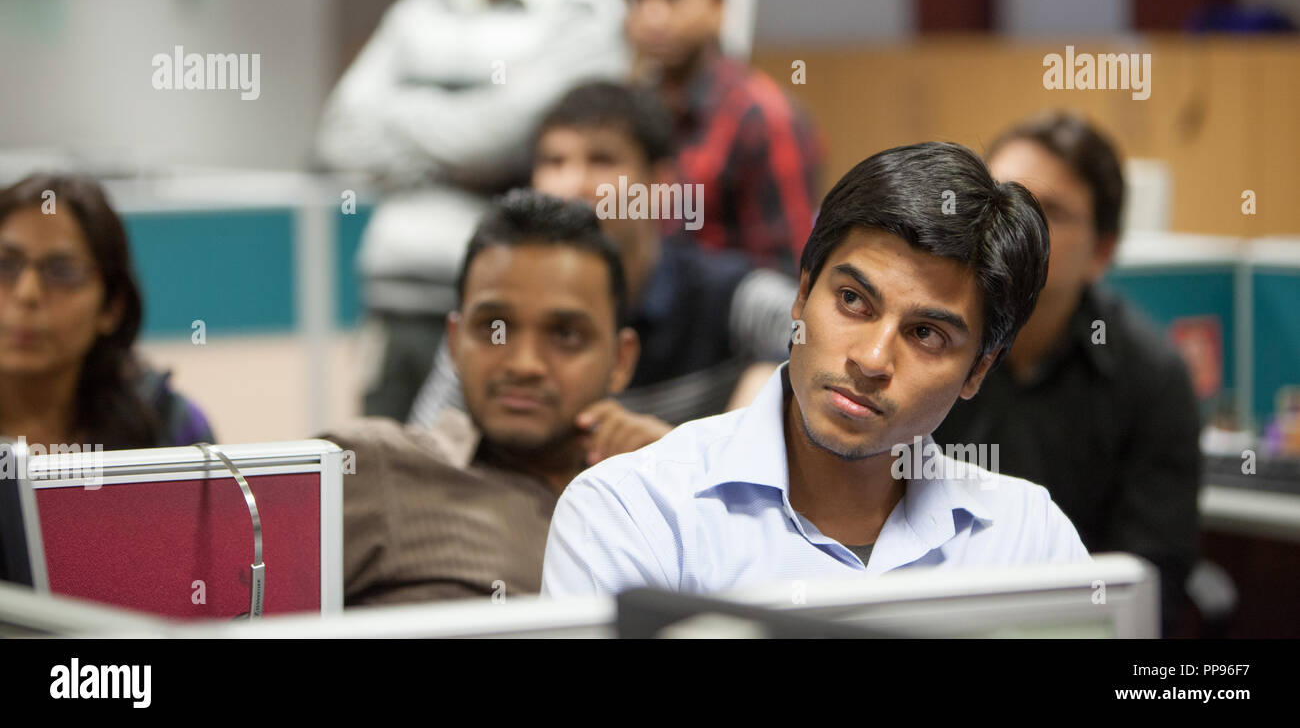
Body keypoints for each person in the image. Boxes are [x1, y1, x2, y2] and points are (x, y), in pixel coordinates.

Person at [541, 142, 1091, 598]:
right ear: (802, 294)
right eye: (853, 301)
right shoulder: (637, 512)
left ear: (978, 370)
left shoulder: (1026, 541)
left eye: (926, 334)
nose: (872, 359)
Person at [315, 0, 628, 421]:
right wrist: (465, 144)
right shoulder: (417, 11)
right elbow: (338, 135)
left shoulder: (587, 12)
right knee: (386, 484)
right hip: (396, 293)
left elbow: (503, 139)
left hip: (519, 306)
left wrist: (407, 125)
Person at [409, 82, 798, 447]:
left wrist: (703, 446)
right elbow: (426, 451)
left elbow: (816, 330)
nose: (573, 186)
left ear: (661, 184)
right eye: (555, 161)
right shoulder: (496, 306)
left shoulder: (726, 295)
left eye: (602, 160)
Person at [934, 112, 1200, 634]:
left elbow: (1151, 577)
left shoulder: (1150, 376)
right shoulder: (931, 340)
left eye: (1049, 210)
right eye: (999, 196)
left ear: (1101, 252)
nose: (1014, 224)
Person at [323, 190, 647, 605]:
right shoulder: (368, 467)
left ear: (621, 360)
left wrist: (676, 468)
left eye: (566, 335)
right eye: (494, 327)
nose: (525, 364)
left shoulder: (660, 495)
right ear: (455, 343)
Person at [614, 0, 825, 277]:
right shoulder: (632, 105)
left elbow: (790, 273)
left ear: (719, 7)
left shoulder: (763, 115)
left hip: (727, 323)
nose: (651, 16)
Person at [0, 174, 214, 450]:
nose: (27, 293)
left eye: (62, 271)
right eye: (5, 265)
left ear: (112, 307)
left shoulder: (169, 428)